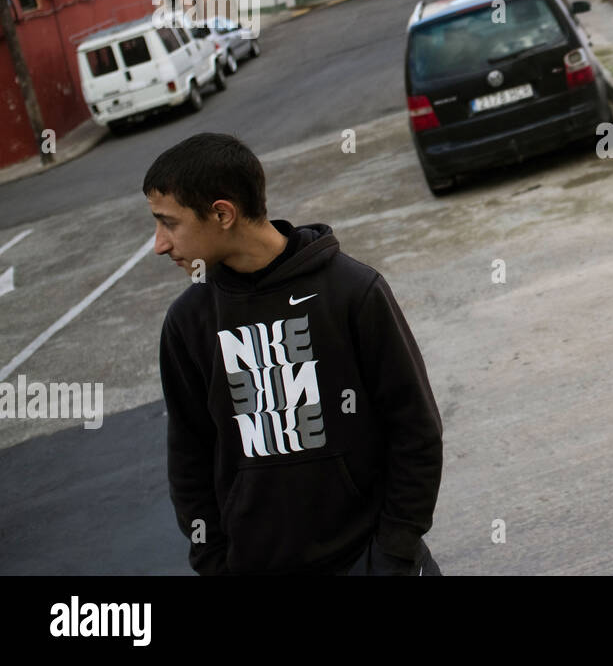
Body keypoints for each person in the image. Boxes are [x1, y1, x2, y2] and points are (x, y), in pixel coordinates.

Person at [144, 132, 444, 575]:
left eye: (169, 223)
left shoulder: (351, 292)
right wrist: (214, 564)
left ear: (222, 213)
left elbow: (416, 431)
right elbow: (189, 459)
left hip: (371, 562)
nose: (159, 244)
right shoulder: (189, 322)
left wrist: (392, 553)